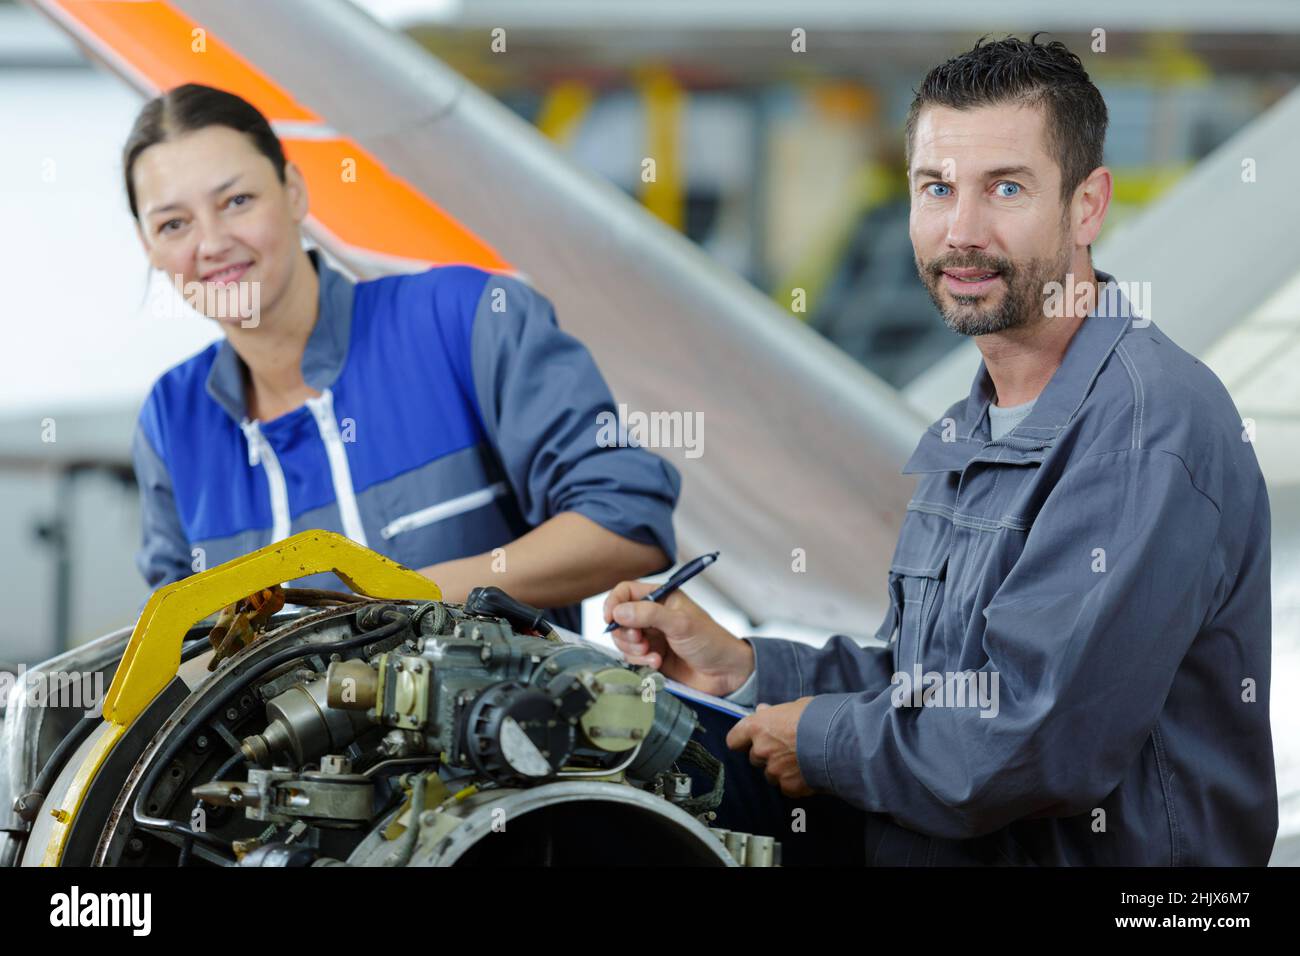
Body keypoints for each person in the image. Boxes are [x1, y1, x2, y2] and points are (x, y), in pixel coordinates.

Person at [606, 35, 1276, 866]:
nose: (961, 232)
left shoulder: (1145, 428)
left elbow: (1033, 743)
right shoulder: (981, 419)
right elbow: (928, 687)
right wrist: (746, 671)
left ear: (1087, 205)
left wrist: (817, 738)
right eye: (936, 188)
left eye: (1004, 188)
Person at [127, 84, 681, 630]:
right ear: (147, 244)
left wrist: (400, 601)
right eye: (174, 224)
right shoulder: (172, 421)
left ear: (294, 191)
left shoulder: (464, 320)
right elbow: (180, 643)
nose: (213, 242)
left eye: (237, 201)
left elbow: (626, 521)